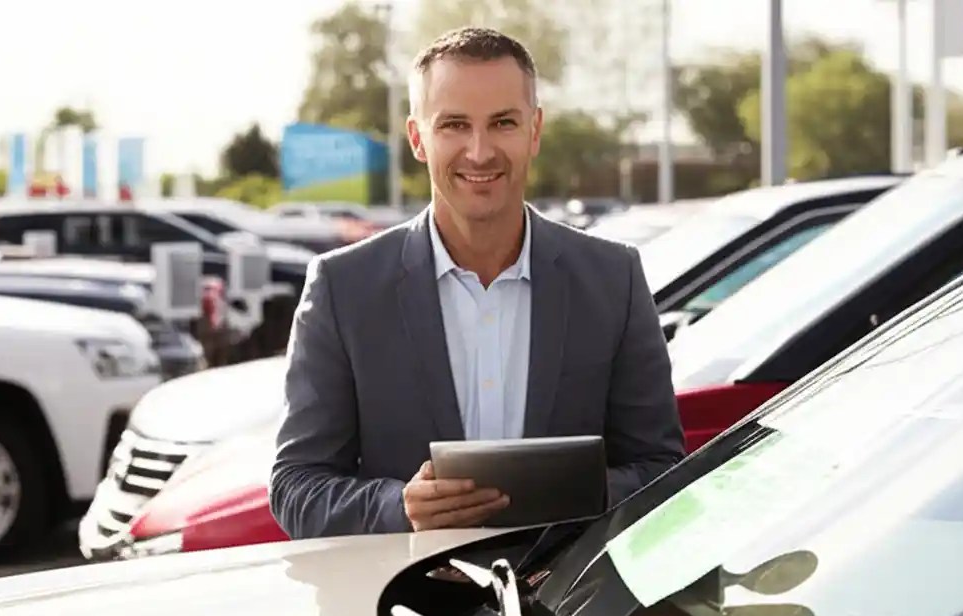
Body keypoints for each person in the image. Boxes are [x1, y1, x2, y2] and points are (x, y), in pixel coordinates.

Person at [269, 27, 684, 538]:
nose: (480, 151)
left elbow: (662, 468)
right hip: (402, 607)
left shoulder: (612, 279)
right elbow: (296, 485)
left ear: (534, 131)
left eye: (503, 123)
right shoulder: (343, 287)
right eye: (455, 125)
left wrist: (574, 493)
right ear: (418, 138)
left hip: (568, 607)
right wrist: (398, 508)